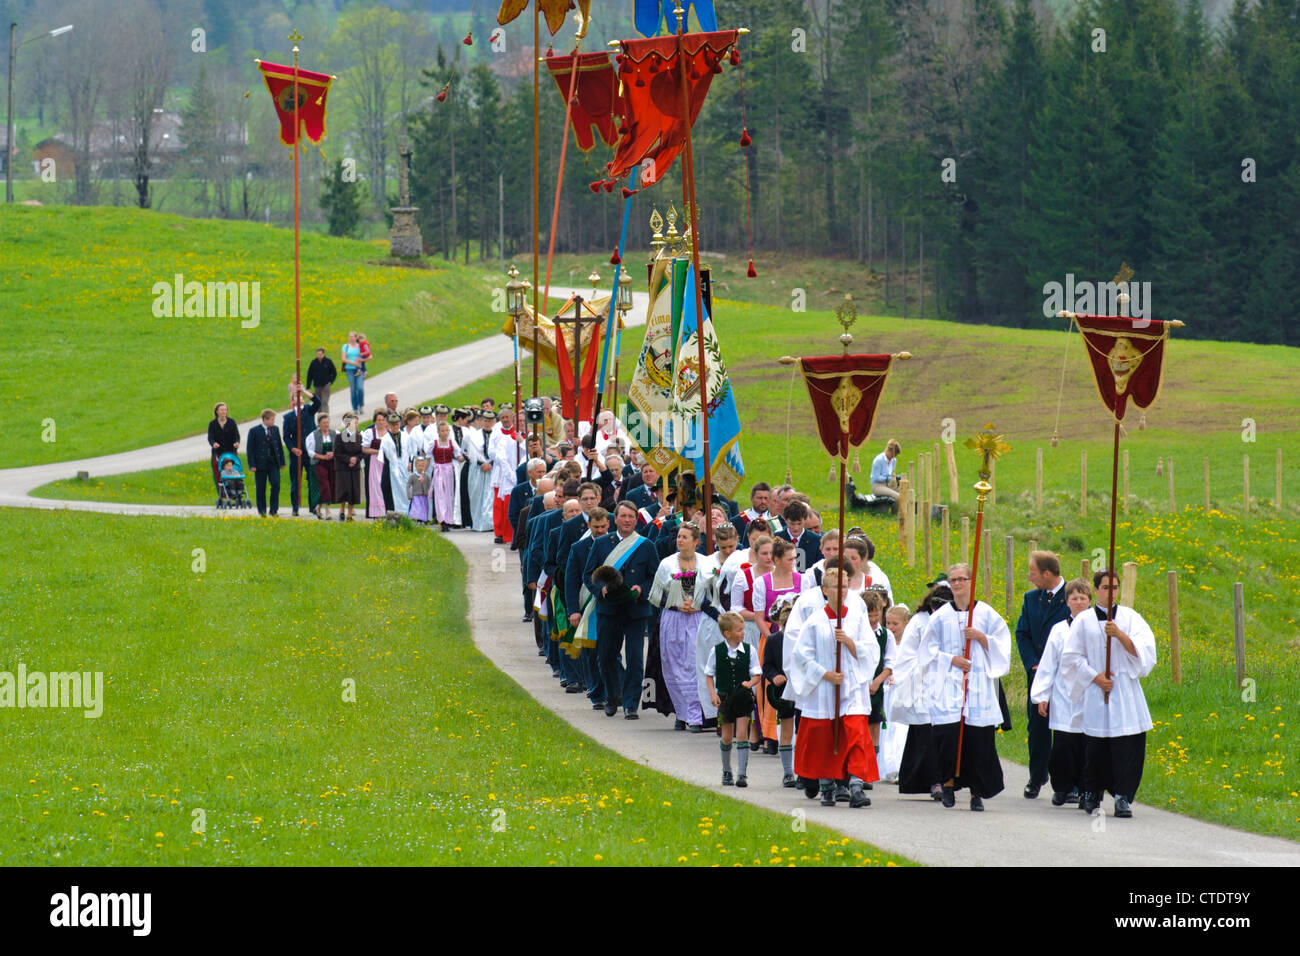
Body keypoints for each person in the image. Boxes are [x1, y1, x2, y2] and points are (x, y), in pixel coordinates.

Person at [1060, 570, 1156, 819]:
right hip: (1096, 689)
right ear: (1096, 590)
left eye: (1114, 587)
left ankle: (1123, 796)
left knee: (1127, 745)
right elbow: (1071, 657)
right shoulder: (1083, 621)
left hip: (1124, 689)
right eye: (1105, 587)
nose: (1110, 592)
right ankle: (1092, 792)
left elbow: (1146, 650)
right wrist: (1095, 677)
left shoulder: (1130, 618)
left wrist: (1121, 636)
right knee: (1096, 746)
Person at [787, 557, 878, 808]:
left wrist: (849, 642)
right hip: (825, 690)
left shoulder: (857, 617)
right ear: (825, 590)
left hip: (852, 688)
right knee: (826, 739)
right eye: (836, 587)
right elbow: (801, 656)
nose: (842, 591)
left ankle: (857, 785)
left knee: (856, 734)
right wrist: (826, 674)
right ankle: (827, 785)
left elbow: (871, 649)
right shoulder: (815, 621)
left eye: (846, 586)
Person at [922, 562, 1011, 811]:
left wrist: (982, 638)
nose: (958, 584)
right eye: (953, 580)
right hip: (949, 684)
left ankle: (976, 792)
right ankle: (948, 784)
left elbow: (1003, 643)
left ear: (972, 582)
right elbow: (927, 650)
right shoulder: (940, 617)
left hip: (977, 683)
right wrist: (952, 659)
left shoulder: (985, 614)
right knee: (949, 736)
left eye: (962, 579)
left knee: (977, 739)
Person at [583, 500, 660, 720]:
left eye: (631, 517)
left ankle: (630, 704)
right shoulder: (601, 544)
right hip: (609, 609)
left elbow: (654, 576)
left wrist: (641, 588)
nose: (627, 521)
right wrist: (601, 589)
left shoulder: (645, 545)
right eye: (623, 516)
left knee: (635, 657)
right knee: (606, 656)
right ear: (614, 519)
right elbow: (589, 574)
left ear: (636, 520)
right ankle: (611, 696)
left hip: (635, 610)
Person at [650, 522, 720, 732]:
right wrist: (676, 604)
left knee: (695, 665)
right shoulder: (667, 564)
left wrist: (699, 605)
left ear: (696, 542)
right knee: (675, 666)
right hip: (674, 620)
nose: (680, 540)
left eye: (685, 537)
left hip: (699, 620)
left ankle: (698, 716)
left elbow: (715, 595)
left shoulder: (707, 564)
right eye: (679, 536)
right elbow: (655, 596)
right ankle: (682, 713)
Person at [1030, 578, 1092, 806]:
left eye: (1082, 598)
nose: (1078, 602)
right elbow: (1048, 664)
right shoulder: (1059, 630)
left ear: (1089, 601)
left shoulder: (1096, 628)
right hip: (1063, 696)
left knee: (1086, 746)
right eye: (1074, 598)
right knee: (1063, 746)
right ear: (1066, 602)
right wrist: (1042, 696)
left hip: (1089, 694)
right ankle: (1062, 788)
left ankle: (1086, 790)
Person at [1015, 550, 1071, 799]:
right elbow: (1022, 633)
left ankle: (1070, 782)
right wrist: (1033, 664)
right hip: (1038, 673)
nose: (1029, 578)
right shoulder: (1031, 599)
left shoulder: (1073, 597)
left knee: (1066, 728)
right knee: (1037, 727)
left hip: (1065, 675)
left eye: (1033, 573)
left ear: (1047, 573)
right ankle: (1036, 777)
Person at [893, 581, 951, 800]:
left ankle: (948, 779)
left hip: (946, 683)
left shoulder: (952, 620)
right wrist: (924, 671)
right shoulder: (919, 622)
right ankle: (933, 780)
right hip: (922, 684)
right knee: (926, 737)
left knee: (945, 734)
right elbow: (907, 654)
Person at [751, 537, 805, 752]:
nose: (793, 561)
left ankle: (792, 737)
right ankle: (770, 736)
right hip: (773, 639)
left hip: (798, 642)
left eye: (794, 558)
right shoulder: (762, 582)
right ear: (777, 560)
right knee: (772, 687)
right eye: (789, 558)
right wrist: (776, 639)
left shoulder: (803, 580)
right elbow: (759, 617)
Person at [706, 611, 762, 787]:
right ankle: (726, 770)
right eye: (739, 630)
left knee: (742, 734)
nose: (743, 633)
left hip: (743, 697)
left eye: (743, 629)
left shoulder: (749, 650)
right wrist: (712, 694)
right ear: (727, 633)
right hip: (724, 697)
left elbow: (757, 674)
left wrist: (750, 682)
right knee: (727, 736)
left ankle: (742, 774)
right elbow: (709, 674)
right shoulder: (717, 651)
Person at [566, 506, 611, 710]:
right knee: (590, 650)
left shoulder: (616, 546)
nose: (600, 530)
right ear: (589, 526)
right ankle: (596, 691)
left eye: (603, 526)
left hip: (611, 606)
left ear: (609, 524)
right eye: (596, 527)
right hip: (587, 604)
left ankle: (613, 690)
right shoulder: (579, 548)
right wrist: (573, 610)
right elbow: (572, 581)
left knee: (610, 651)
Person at [760, 592, 800, 786]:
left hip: (802, 691)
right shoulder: (774, 641)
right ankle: (787, 772)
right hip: (783, 691)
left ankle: (802, 771)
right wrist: (774, 676)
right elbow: (767, 666)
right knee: (785, 730)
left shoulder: (803, 640)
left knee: (801, 732)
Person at [877, 604, 911, 783]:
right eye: (888, 623)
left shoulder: (909, 644)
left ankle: (900, 765)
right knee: (888, 726)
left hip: (904, 690)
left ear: (906, 623)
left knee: (900, 728)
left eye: (895, 624)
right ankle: (887, 766)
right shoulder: (887, 641)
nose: (890, 627)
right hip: (887, 690)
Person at [282, 386, 321, 517]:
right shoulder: (288, 417)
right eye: (295, 397)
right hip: (296, 452)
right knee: (295, 480)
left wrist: (304, 391)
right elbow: (286, 436)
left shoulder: (309, 411)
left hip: (309, 451)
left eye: (300, 397)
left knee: (312, 479)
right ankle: (295, 507)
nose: (298, 399)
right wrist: (293, 448)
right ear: (292, 401)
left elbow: (318, 403)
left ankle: (313, 506)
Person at [489, 408, 525, 544]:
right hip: (503, 473)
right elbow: (495, 454)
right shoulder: (497, 433)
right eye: (502, 417)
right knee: (502, 505)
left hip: (521, 472)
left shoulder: (525, 436)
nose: (505, 420)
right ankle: (501, 532)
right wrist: (512, 475)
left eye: (507, 417)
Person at [246, 408, 285, 517]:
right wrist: (252, 464)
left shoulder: (275, 430)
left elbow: (279, 446)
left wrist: (281, 461)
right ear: (265, 419)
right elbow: (250, 449)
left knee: (276, 484)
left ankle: (274, 510)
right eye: (271, 420)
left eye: (273, 420)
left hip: (273, 462)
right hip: (260, 464)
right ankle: (262, 511)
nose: (273, 422)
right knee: (261, 487)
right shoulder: (254, 431)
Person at [462, 411, 495, 532]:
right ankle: (477, 522)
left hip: (493, 468)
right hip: (477, 469)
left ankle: (490, 523)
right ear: (481, 421)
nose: (487, 423)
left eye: (490, 421)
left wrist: (490, 463)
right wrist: (481, 463)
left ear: (494, 422)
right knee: (476, 495)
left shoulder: (497, 435)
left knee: (490, 495)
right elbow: (468, 452)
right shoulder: (473, 436)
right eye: (485, 421)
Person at [333, 412, 363, 522]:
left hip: (354, 468)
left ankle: (350, 514)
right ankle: (342, 510)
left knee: (353, 491)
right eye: (354, 422)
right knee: (344, 490)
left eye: (356, 422)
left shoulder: (359, 437)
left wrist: (356, 459)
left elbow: (361, 452)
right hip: (343, 468)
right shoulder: (339, 437)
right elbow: (337, 453)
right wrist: (348, 459)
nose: (356, 424)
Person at [775, 500, 821, 572]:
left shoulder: (816, 540)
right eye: (792, 524)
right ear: (786, 520)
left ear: (805, 520)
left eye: (799, 524)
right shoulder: (777, 538)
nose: (796, 528)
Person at [361, 411, 391, 518]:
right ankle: (377, 512)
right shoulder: (370, 432)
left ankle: (385, 510)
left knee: (385, 485)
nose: (381, 422)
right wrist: (377, 452)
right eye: (379, 420)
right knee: (376, 486)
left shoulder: (389, 432)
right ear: (375, 421)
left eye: (383, 420)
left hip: (386, 462)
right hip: (374, 461)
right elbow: (364, 449)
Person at [308, 412, 336, 520]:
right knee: (324, 485)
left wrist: (333, 453)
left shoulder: (334, 433)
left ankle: (318, 508)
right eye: (324, 423)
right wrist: (322, 456)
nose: (327, 425)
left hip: (331, 463)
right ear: (319, 424)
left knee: (329, 485)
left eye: (328, 422)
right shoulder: (313, 436)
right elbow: (310, 451)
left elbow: (338, 447)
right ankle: (327, 510)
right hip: (318, 463)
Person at [207, 402, 241, 485]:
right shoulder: (212, 424)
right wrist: (213, 443)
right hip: (218, 452)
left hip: (230, 452)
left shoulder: (231, 422)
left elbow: (237, 435)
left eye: (225, 410)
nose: (224, 412)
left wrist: (237, 442)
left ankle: (234, 490)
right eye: (222, 410)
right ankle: (222, 493)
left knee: (233, 471)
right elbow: (210, 437)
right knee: (219, 473)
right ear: (217, 412)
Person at [341, 332, 365, 415]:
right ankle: (355, 408)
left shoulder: (360, 346)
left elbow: (364, 357)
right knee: (353, 389)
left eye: (352, 336)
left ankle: (361, 405)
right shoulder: (346, 346)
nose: (350, 338)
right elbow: (343, 359)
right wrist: (354, 363)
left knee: (360, 388)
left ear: (356, 337)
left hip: (359, 369)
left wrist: (364, 367)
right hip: (350, 369)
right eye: (349, 336)